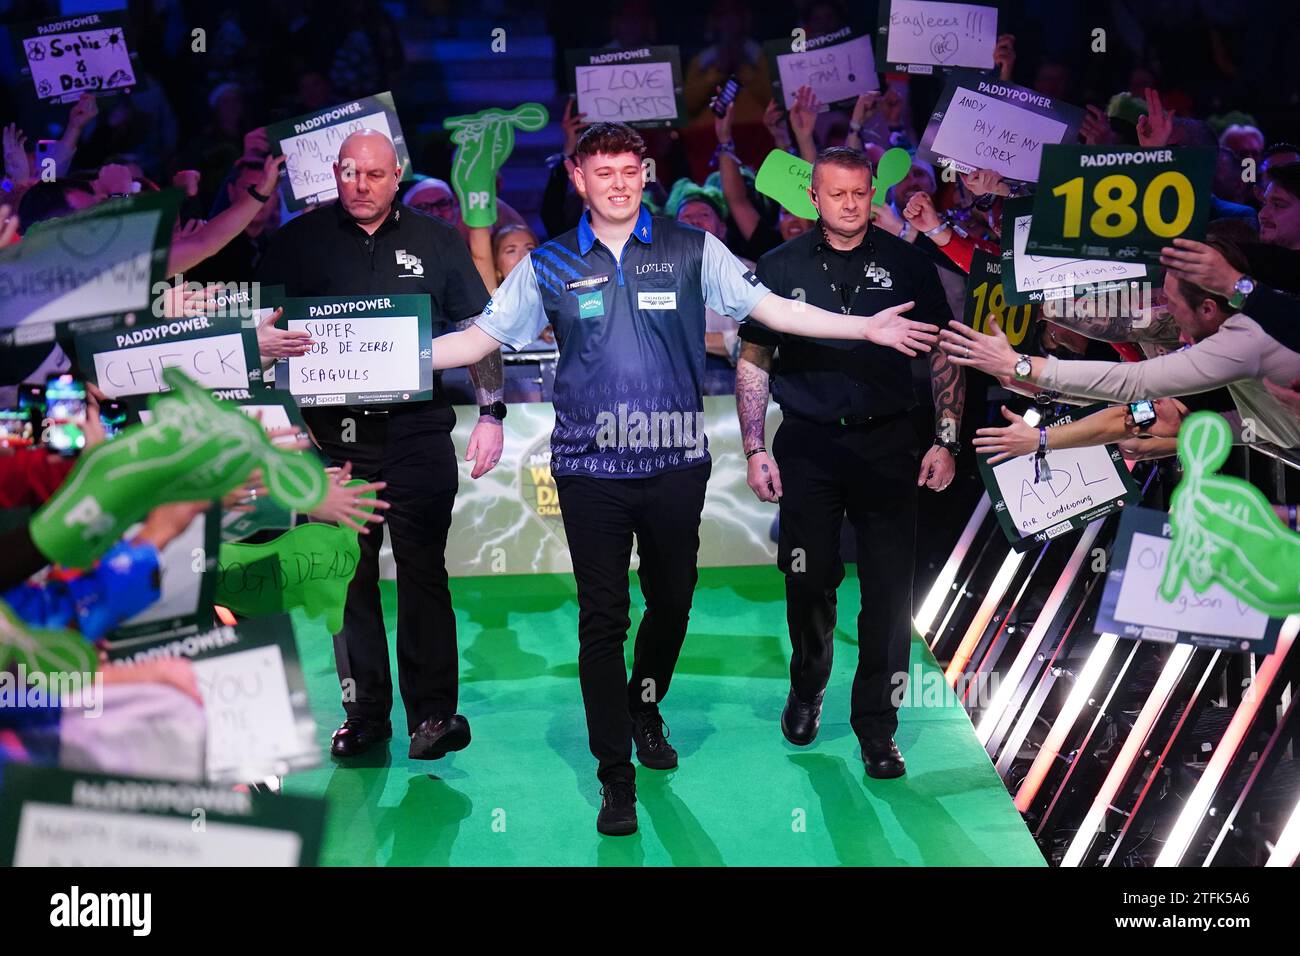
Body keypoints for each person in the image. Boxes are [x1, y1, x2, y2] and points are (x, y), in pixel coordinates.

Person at [423, 121, 937, 836]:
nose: (619, 183)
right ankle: (615, 775)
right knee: (602, 620)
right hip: (587, 469)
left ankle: (644, 701)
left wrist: (864, 329)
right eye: (604, 172)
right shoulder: (545, 265)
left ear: (646, 174)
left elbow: (773, 311)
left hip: (675, 465)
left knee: (671, 604)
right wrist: (378, 361)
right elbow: (476, 340)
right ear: (578, 178)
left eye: (630, 170)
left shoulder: (693, 248)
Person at [257, 129, 505, 762]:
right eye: (348, 173)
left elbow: (481, 331)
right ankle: (365, 715)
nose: (360, 186)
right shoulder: (294, 244)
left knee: (425, 573)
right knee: (347, 579)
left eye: (373, 175)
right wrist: (264, 361)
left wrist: (492, 412)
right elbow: (255, 337)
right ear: (333, 174)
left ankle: (434, 717)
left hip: (418, 435)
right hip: (328, 444)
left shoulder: (439, 241)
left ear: (398, 174)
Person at [735, 146, 964, 780]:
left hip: (890, 445)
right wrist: (754, 446)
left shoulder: (908, 264)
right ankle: (807, 686)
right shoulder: (778, 267)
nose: (850, 204)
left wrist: (945, 436)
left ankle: (877, 727)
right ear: (814, 197)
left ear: (872, 193)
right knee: (809, 580)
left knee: (891, 596)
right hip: (808, 446)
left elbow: (943, 354)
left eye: (860, 193)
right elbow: (754, 360)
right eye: (837, 194)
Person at [941, 238, 1300, 448]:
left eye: (1171, 305)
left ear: (1207, 308)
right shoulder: (1234, 331)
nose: (1165, 311)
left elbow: (1133, 383)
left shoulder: (1242, 341)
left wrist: (1020, 365)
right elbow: (1135, 405)